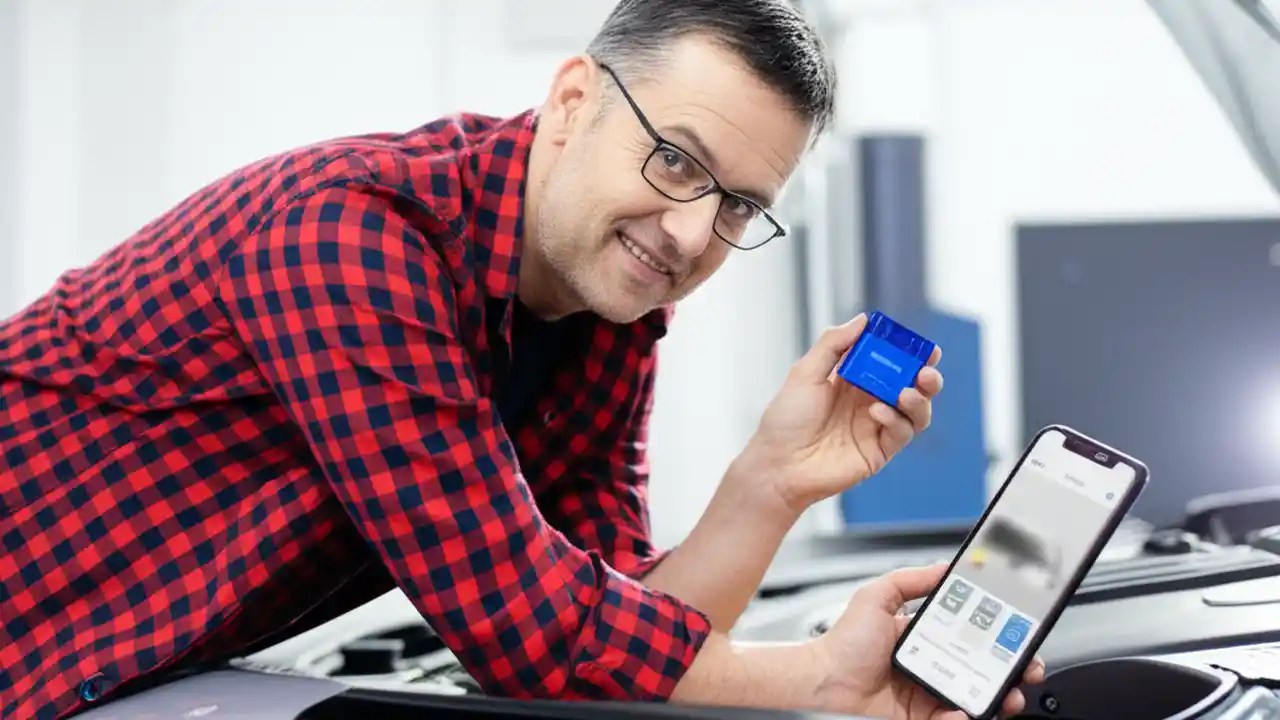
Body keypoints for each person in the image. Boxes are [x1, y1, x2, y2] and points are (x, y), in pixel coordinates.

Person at [0, 1, 1042, 718]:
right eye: (675, 159)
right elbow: (531, 636)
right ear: (572, 100)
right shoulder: (350, 236)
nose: (687, 234)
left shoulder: (606, 311)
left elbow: (617, 654)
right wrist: (820, 681)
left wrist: (769, 483)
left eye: (737, 206)